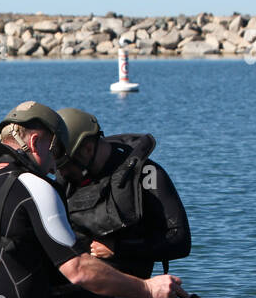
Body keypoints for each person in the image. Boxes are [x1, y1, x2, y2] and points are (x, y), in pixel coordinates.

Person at [0, 101, 185, 298]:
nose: (55, 167)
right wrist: (148, 289)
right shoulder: (34, 185)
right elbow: (79, 270)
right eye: (54, 153)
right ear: (34, 143)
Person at [55, 108, 191, 279]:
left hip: (129, 288)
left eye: (66, 165)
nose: (63, 172)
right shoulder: (66, 180)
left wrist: (118, 248)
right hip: (76, 278)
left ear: (88, 149)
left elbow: (180, 240)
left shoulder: (147, 174)